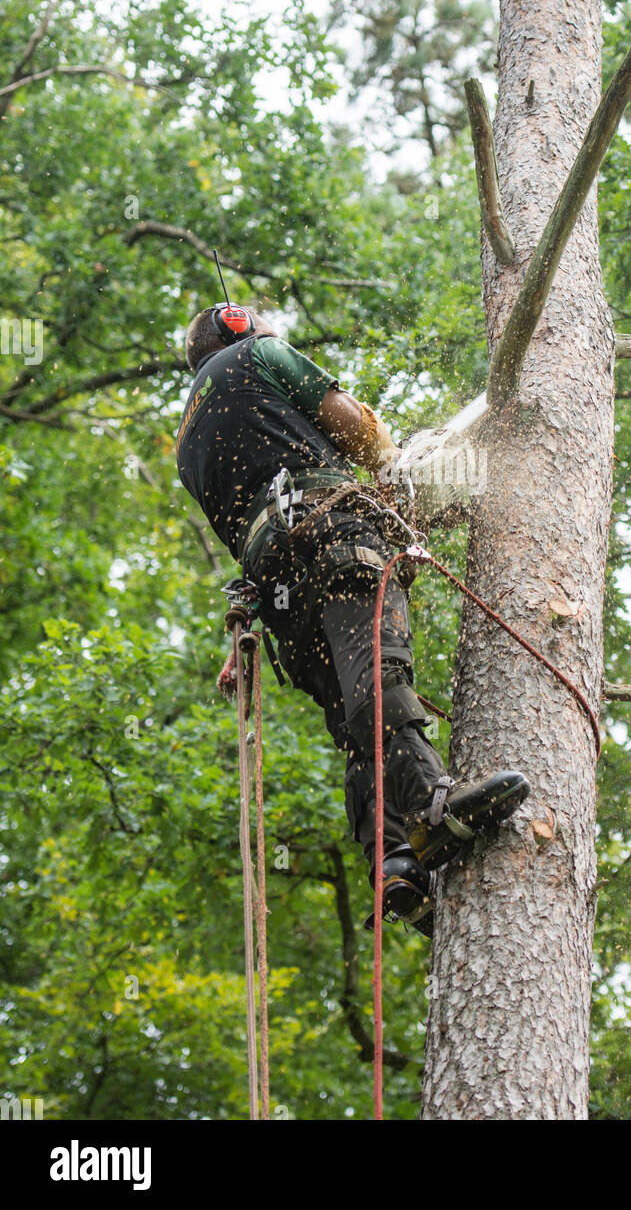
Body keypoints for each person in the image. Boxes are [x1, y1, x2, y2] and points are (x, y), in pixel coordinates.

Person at [175, 301, 529, 935]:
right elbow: (356, 431)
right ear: (237, 326)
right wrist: (391, 469)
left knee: (352, 717)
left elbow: (241, 527)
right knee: (380, 679)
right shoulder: (259, 354)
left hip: (280, 597)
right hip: (331, 539)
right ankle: (431, 801)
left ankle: (393, 862)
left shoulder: (188, 445)